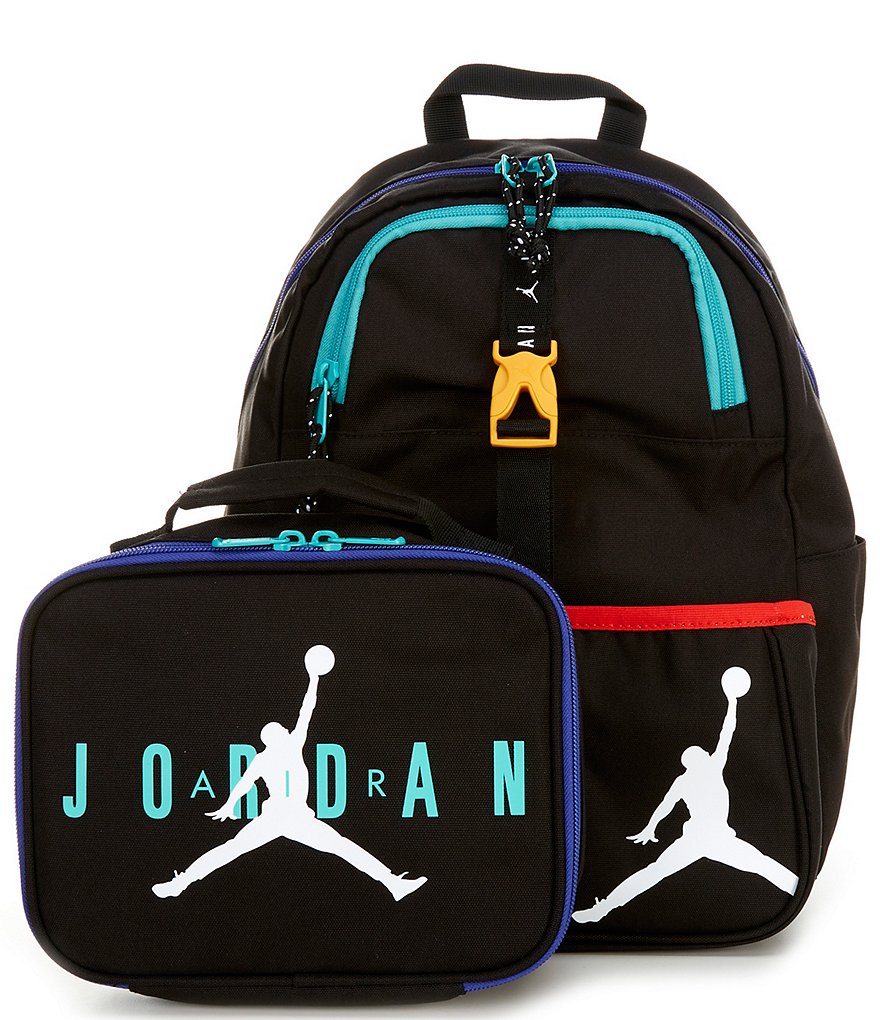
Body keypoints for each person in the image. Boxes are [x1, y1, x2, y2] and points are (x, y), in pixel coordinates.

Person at [152, 645, 427, 902]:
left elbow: (245, 783)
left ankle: (393, 883)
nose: (288, 729)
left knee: (234, 849)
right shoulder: (286, 748)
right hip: (284, 816)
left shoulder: (273, 753)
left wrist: (230, 804)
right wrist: (313, 679)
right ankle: (392, 882)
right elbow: (305, 711)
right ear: (276, 736)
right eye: (283, 729)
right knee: (339, 846)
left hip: (291, 817)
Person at [573, 667, 797, 924]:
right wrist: (732, 702)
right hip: (706, 838)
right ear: (694, 760)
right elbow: (725, 735)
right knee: (761, 864)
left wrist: (651, 827)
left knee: (653, 873)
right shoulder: (708, 769)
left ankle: (601, 910)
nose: (706, 753)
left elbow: (665, 806)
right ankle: (798, 889)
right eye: (701, 752)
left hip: (707, 837)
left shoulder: (691, 776)